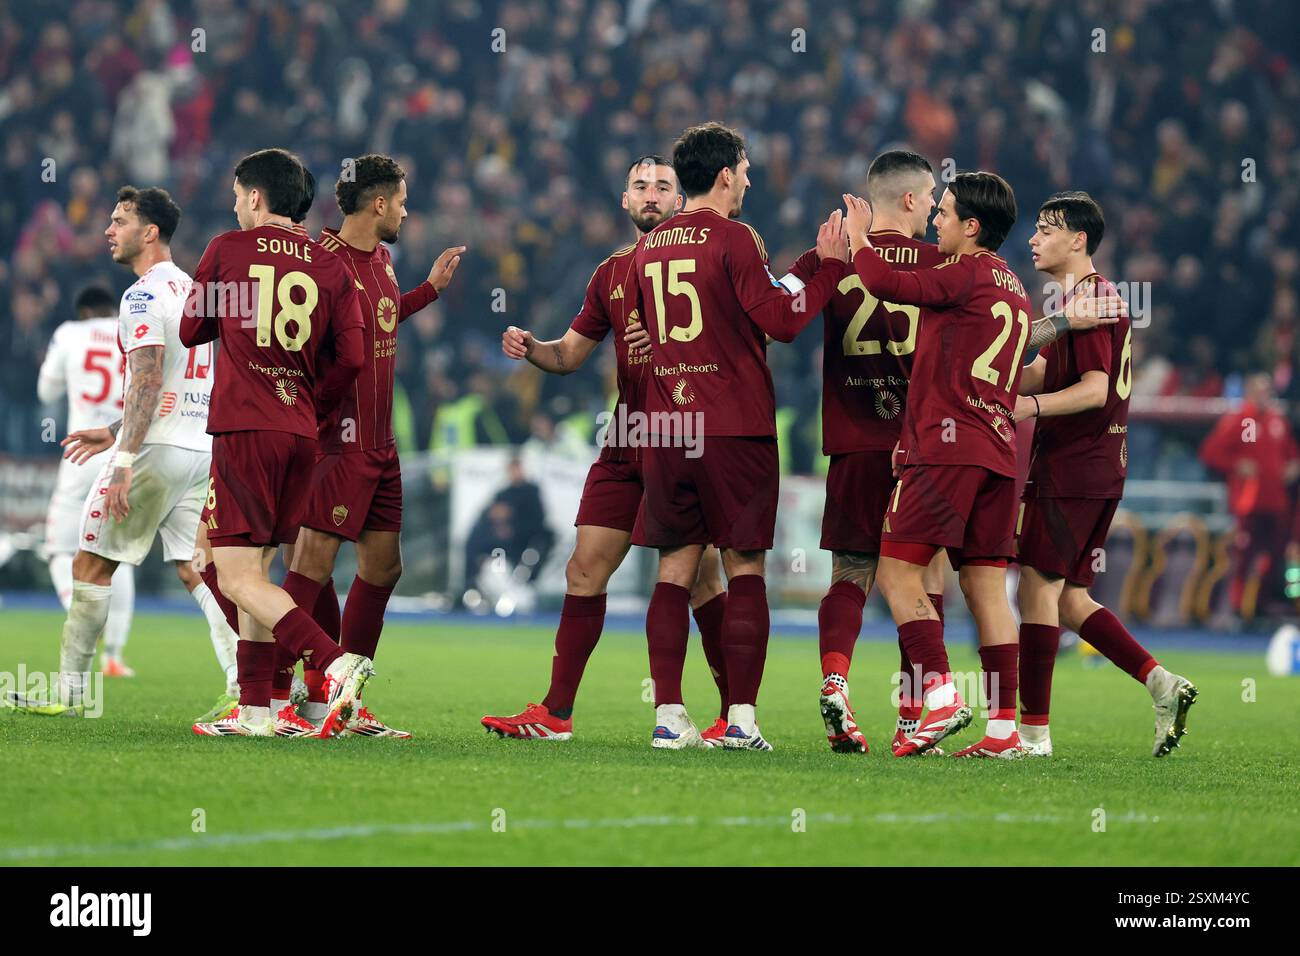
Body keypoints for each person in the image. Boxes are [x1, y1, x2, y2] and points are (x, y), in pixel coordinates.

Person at [842, 174, 1124, 758]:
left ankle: (940, 691)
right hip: (998, 453)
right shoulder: (1014, 288)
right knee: (987, 589)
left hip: (948, 450)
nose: (937, 221)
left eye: (945, 214)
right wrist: (1065, 323)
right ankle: (1004, 731)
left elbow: (885, 282)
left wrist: (859, 239)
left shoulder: (964, 271)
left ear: (972, 227)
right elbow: (1012, 350)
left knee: (896, 571)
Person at [481, 157, 730, 744]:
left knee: (701, 578)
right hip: (627, 437)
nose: (651, 195)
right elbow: (569, 355)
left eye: (662, 187)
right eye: (640, 186)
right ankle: (557, 713)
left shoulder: (709, 258)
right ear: (625, 200)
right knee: (584, 567)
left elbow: (750, 338)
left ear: (681, 199)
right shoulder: (612, 273)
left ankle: (732, 716)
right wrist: (530, 347)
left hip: (685, 434)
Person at [633, 122, 849, 750]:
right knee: (744, 564)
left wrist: (806, 262)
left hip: (670, 426)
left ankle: (668, 717)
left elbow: (703, 313)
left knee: (674, 568)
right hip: (734, 428)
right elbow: (778, 321)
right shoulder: (735, 237)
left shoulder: (646, 250)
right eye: (747, 169)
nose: (750, 179)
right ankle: (742, 722)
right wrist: (831, 271)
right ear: (726, 174)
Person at [6, 187, 237, 717]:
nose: (108, 231)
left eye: (119, 221)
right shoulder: (196, 290)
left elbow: (150, 380)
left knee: (89, 566)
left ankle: (70, 692)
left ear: (149, 232)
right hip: (202, 446)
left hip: (154, 452)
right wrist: (114, 430)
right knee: (198, 569)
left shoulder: (140, 296)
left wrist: (124, 460)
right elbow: (176, 382)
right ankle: (241, 687)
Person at [275, 153, 464, 737]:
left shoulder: (381, 259)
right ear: (378, 203)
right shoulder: (320, 263)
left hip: (381, 446)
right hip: (339, 444)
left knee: (384, 567)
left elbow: (381, 319)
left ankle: (343, 694)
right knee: (311, 564)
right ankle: (271, 694)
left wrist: (427, 292)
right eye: (403, 202)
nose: (407, 212)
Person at [181, 148, 367, 738]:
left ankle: (337, 663)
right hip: (298, 434)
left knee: (229, 574)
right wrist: (315, 405)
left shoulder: (228, 250)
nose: (235, 205)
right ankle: (257, 711)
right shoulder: (329, 265)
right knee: (257, 570)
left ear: (257, 197)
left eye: (239, 195)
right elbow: (354, 357)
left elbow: (191, 330)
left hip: (244, 428)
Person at [1016, 190, 1197, 758]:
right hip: (1097, 465)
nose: (1033, 238)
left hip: (1074, 465)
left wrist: (1031, 409)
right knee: (1070, 599)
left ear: (1079, 240)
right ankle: (1161, 683)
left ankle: (1032, 737)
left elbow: (1094, 389)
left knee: (1036, 589)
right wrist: (983, 383)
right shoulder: (1085, 299)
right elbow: (1045, 370)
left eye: (1047, 229)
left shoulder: (1094, 299)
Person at [785, 149, 949, 754]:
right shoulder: (941, 263)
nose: (935, 206)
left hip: (854, 442)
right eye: (930, 195)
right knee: (921, 577)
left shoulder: (835, 254)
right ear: (908, 199)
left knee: (852, 572)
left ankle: (835, 680)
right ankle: (915, 713)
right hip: (922, 447)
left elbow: (777, 306)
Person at [37, 285, 137, 678]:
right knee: (117, 551)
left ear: (83, 312)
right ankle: (115, 654)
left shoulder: (69, 333)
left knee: (59, 550)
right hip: (125, 448)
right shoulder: (130, 329)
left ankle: (82, 621)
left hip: (82, 452)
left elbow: (46, 390)